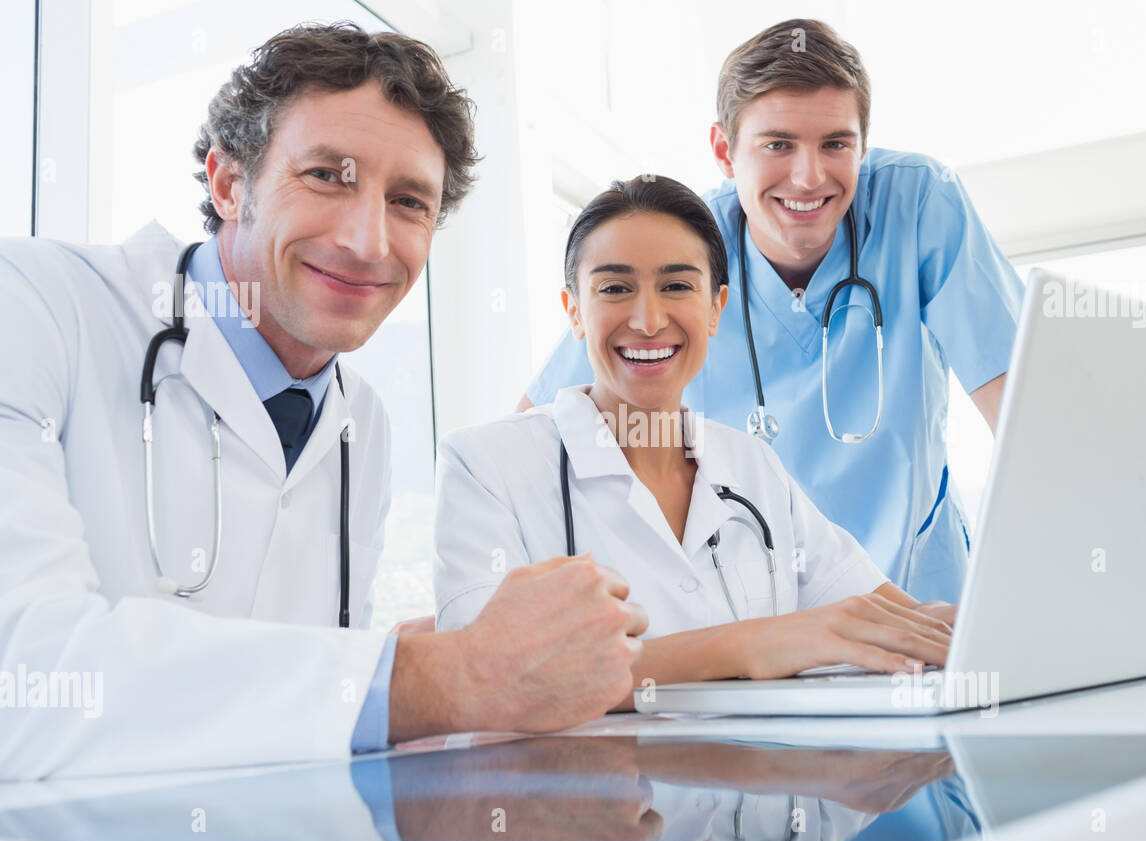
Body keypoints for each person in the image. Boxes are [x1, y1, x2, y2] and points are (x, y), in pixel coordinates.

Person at [0, 23, 644, 780]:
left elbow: (300, 703)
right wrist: (453, 676)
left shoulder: (360, 422)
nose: (369, 241)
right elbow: (27, 680)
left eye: (408, 201)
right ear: (227, 181)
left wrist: (422, 659)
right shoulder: (35, 304)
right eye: (328, 176)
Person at [518, 18, 1022, 606]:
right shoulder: (683, 249)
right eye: (777, 144)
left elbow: (1027, 415)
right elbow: (539, 437)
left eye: (836, 143)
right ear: (724, 151)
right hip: (754, 614)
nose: (809, 177)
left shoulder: (918, 205)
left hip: (917, 593)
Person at [434, 176, 953, 696]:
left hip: (764, 774)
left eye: (677, 286)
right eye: (615, 289)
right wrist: (751, 646)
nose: (648, 319)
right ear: (573, 311)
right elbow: (484, 680)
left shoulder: (752, 466)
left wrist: (972, 628)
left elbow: (884, 614)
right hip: (590, 779)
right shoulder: (486, 465)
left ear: (715, 309)